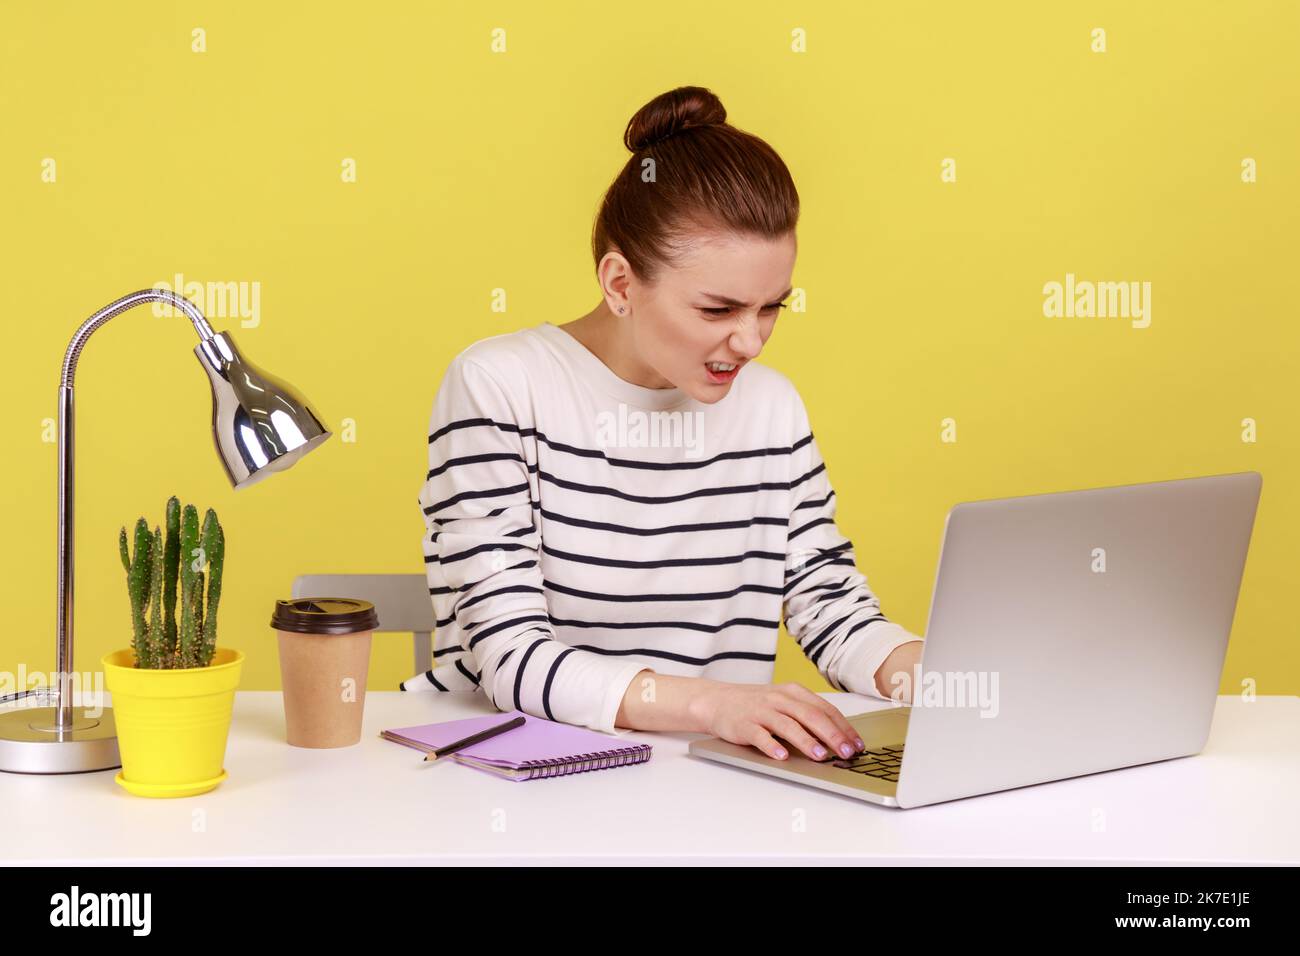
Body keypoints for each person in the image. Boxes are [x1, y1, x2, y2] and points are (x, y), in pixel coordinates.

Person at [402, 85, 924, 765]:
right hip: (506, 772)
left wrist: (947, 680)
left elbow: (832, 609)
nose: (751, 342)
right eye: (718, 310)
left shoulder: (771, 407)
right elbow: (510, 660)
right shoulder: (501, 386)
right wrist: (714, 702)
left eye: (772, 308)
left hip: (708, 774)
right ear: (620, 284)